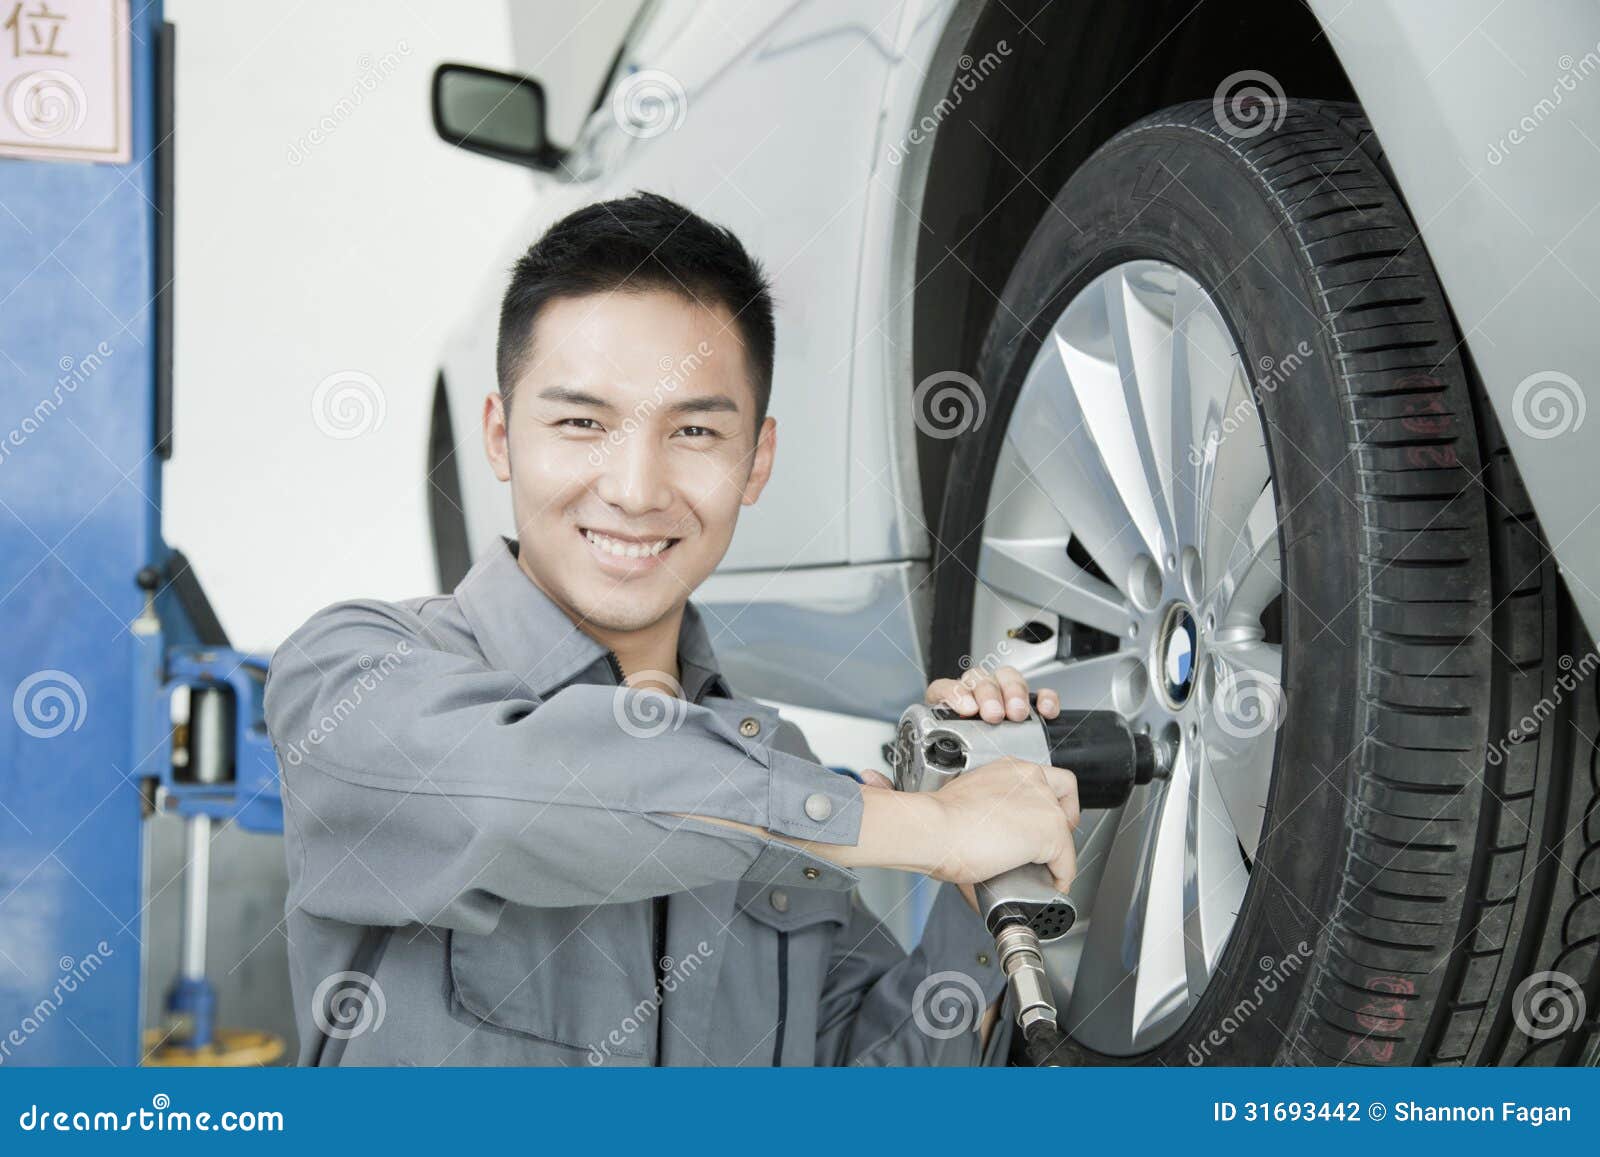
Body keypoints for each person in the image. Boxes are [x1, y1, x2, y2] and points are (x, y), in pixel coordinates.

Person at [263, 191, 1079, 1066]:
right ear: (500, 438)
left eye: (694, 430)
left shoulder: (784, 770)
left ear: (756, 459)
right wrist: (932, 828)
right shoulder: (350, 669)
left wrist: (984, 879)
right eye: (581, 422)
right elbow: (518, 796)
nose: (637, 487)